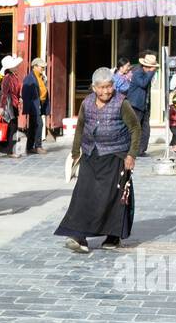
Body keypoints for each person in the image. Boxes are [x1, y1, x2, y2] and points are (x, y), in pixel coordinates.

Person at [56, 66, 140, 255]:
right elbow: (81, 127)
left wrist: (131, 155)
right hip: (90, 154)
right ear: (94, 88)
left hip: (115, 155)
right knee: (83, 195)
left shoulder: (121, 103)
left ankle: (112, 235)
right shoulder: (86, 103)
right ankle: (78, 236)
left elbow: (135, 128)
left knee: (112, 198)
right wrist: (75, 151)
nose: (106, 91)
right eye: (101, 87)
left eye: (109, 86)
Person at [129, 52, 158, 156]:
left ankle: (141, 150)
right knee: (136, 128)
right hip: (136, 105)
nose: (152, 70)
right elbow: (143, 83)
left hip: (144, 105)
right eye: (151, 68)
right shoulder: (137, 73)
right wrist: (151, 73)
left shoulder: (146, 74)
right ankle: (133, 150)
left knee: (146, 129)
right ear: (146, 66)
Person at [0, 54, 23, 158]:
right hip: (8, 105)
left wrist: (19, 97)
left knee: (12, 128)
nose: (17, 67)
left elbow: (16, 90)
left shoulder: (14, 76)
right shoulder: (7, 78)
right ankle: (4, 149)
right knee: (10, 128)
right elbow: (4, 93)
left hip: (13, 104)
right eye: (15, 65)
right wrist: (1, 107)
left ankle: (1, 147)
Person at [23, 57, 46, 154]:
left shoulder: (40, 76)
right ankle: (37, 146)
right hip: (34, 105)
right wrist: (30, 106)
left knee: (34, 126)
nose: (43, 69)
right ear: (35, 67)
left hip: (39, 104)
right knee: (39, 124)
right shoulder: (30, 78)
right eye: (41, 67)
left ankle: (29, 147)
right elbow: (25, 93)